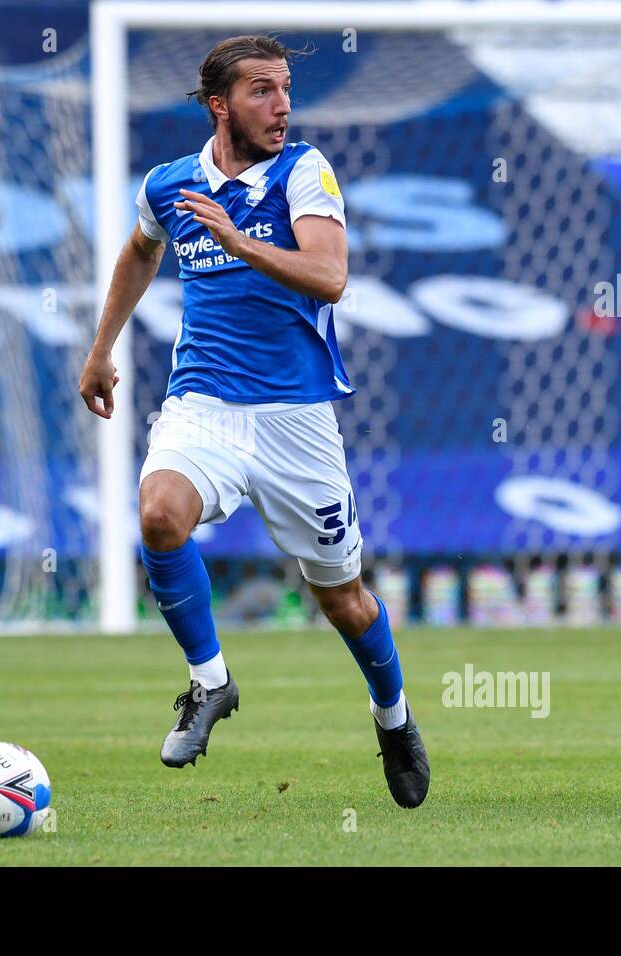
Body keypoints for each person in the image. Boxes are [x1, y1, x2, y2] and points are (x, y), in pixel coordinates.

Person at [78, 35, 429, 808]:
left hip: (296, 419)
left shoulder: (304, 172)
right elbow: (141, 250)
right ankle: (210, 683)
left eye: (286, 89)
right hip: (202, 402)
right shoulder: (171, 185)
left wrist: (239, 242)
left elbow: (331, 276)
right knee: (159, 516)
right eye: (262, 91)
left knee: (343, 599)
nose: (282, 106)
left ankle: (393, 716)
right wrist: (103, 348)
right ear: (220, 105)